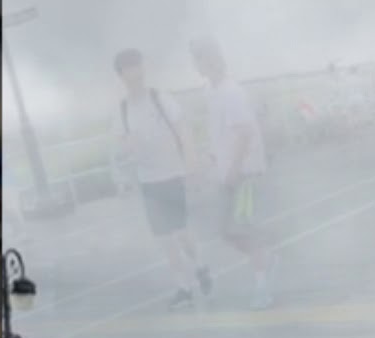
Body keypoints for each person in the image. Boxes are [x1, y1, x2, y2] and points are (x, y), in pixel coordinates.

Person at [110, 48, 211, 311]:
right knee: (165, 240)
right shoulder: (122, 110)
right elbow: (121, 143)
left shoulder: (160, 99)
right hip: (148, 181)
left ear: (143, 68)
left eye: (137, 65)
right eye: (128, 68)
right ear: (121, 74)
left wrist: (191, 163)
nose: (135, 72)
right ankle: (183, 288)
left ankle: (200, 265)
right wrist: (127, 147)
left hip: (171, 174)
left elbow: (183, 130)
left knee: (182, 233)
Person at [189, 37, 277, 310]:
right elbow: (222, 133)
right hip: (227, 171)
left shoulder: (231, 91)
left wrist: (234, 170)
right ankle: (266, 257)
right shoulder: (211, 92)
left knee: (245, 229)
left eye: (203, 57)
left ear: (215, 59)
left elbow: (244, 132)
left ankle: (262, 286)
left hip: (243, 173)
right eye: (197, 58)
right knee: (225, 231)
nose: (200, 63)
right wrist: (212, 159)